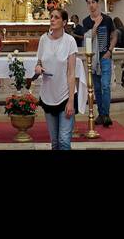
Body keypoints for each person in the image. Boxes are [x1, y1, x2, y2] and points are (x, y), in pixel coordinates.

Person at [31, 9, 78, 150]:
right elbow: (39, 62)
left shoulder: (70, 41)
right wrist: (38, 68)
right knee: (55, 142)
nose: (52, 19)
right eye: (51, 17)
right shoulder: (43, 40)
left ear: (64, 22)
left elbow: (71, 72)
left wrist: (71, 101)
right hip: (48, 95)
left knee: (64, 140)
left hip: (65, 95)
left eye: (56, 17)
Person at [81, 0, 115, 127]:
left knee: (106, 86)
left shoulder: (107, 19)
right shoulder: (86, 21)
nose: (91, 5)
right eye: (88, 3)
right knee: (97, 88)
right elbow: (88, 38)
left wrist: (110, 50)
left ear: (98, 4)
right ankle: (101, 115)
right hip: (93, 59)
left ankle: (106, 114)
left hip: (105, 57)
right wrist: (95, 25)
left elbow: (114, 36)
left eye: (93, 2)